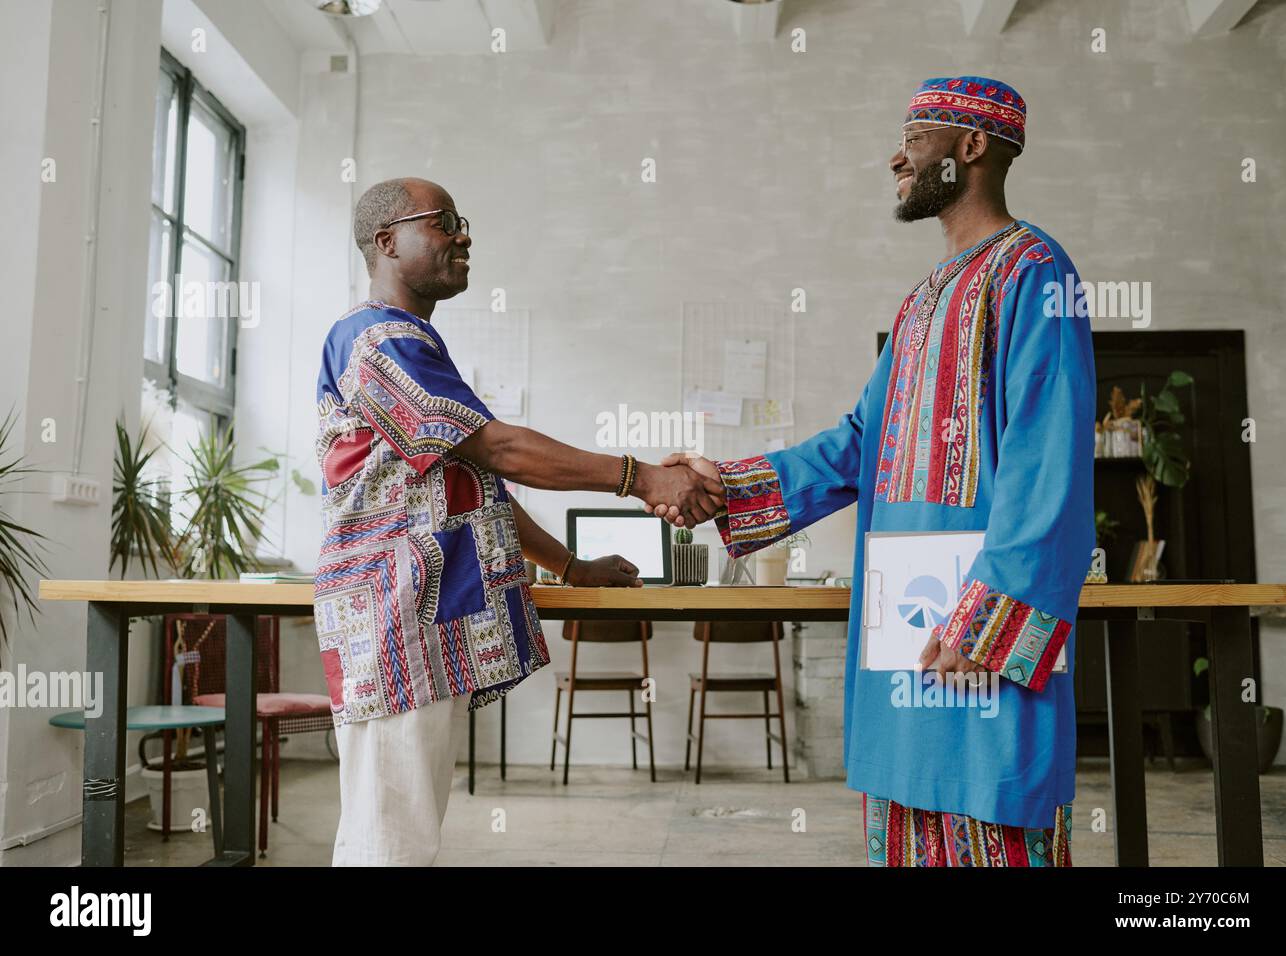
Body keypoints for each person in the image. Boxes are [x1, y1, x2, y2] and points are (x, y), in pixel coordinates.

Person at [653, 77, 1094, 867]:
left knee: (994, 822)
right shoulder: (923, 300)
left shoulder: (1037, 271)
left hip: (975, 626)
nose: (898, 154)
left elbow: (1047, 453)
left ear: (971, 147)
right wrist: (728, 484)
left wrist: (990, 619)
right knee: (909, 826)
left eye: (916, 137)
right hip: (904, 633)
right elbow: (862, 442)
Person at [315, 177, 720, 865]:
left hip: (418, 618)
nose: (464, 235)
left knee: (401, 831)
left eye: (461, 221)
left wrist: (569, 566)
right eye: (442, 222)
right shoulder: (378, 341)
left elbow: (477, 482)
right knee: (389, 841)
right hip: (392, 622)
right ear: (387, 241)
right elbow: (499, 447)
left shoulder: (412, 343)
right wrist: (642, 477)